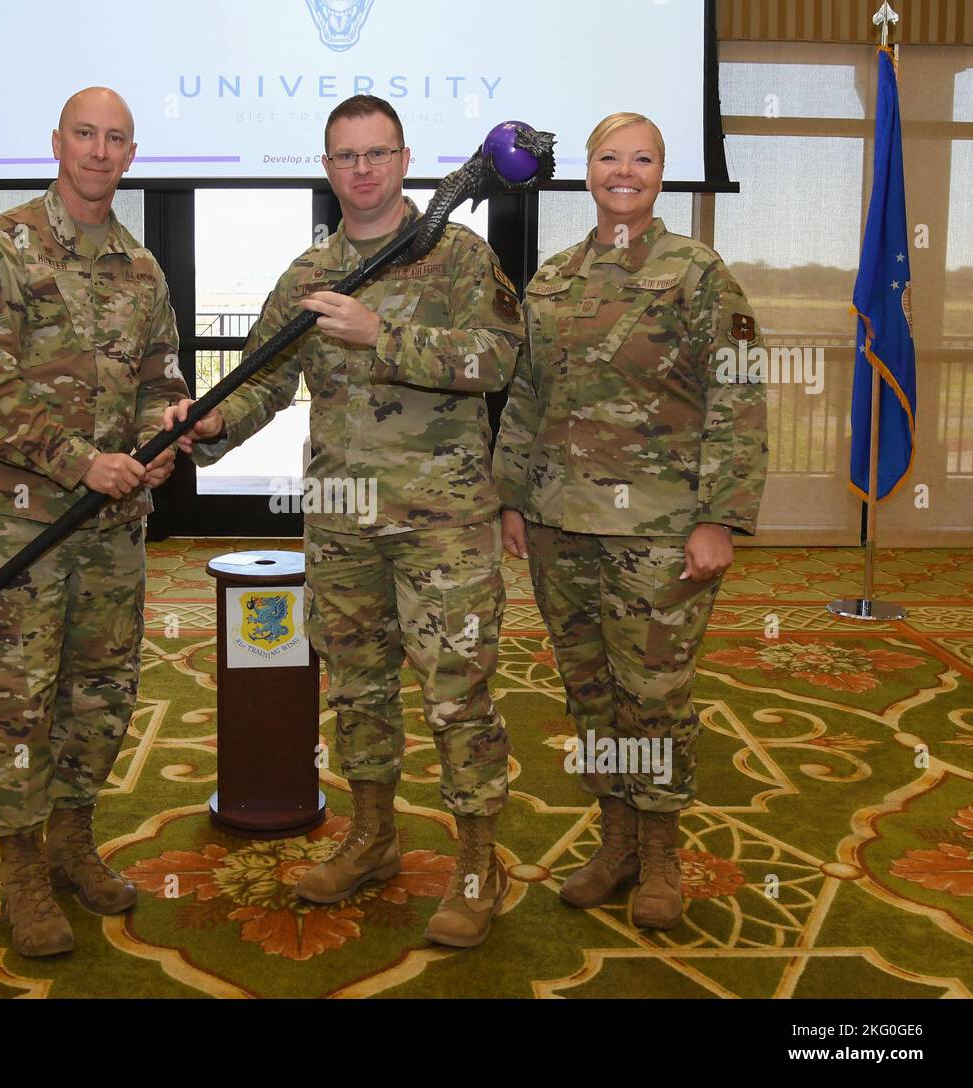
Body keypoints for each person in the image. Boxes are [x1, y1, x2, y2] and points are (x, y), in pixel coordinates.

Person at [165, 95, 524, 948]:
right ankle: (373, 837)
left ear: (405, 160)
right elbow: (263, 381)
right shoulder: (306, 277)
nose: (362, 169)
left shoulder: (461, 256)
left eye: (378, 153)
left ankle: (480, 862)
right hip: (341, 520)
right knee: (358, 690)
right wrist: (217, 424)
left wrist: (382, 331)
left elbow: (501, 356)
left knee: (456, 696)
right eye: (345, 156)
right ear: (328, 168)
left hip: (444, 520)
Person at [493, 113, 768, 929]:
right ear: (587, 171)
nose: (625, 171)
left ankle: (660, 858)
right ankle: (612, 844)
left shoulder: (698, 273)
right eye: (610, 157)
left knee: (654, 696)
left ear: (661, 172)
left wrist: (720, 517)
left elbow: (740, 395)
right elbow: (527, 397)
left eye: (642, 158)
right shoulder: (552, 280)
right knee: (589, 694)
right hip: (559, 524)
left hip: (660, 530)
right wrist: (511, 496)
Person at [0, 87, 189, 957]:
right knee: (18, 700)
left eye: (115, 138)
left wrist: (167, 434)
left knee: (102, 690)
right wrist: (80, 460)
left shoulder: (142, 266)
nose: (98, 150)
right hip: (18, 521)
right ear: (58, 142)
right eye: (85, 134)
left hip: (113, 525)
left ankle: (73, 844)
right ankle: (19, 872)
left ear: (129, 154)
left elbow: (164, 377)